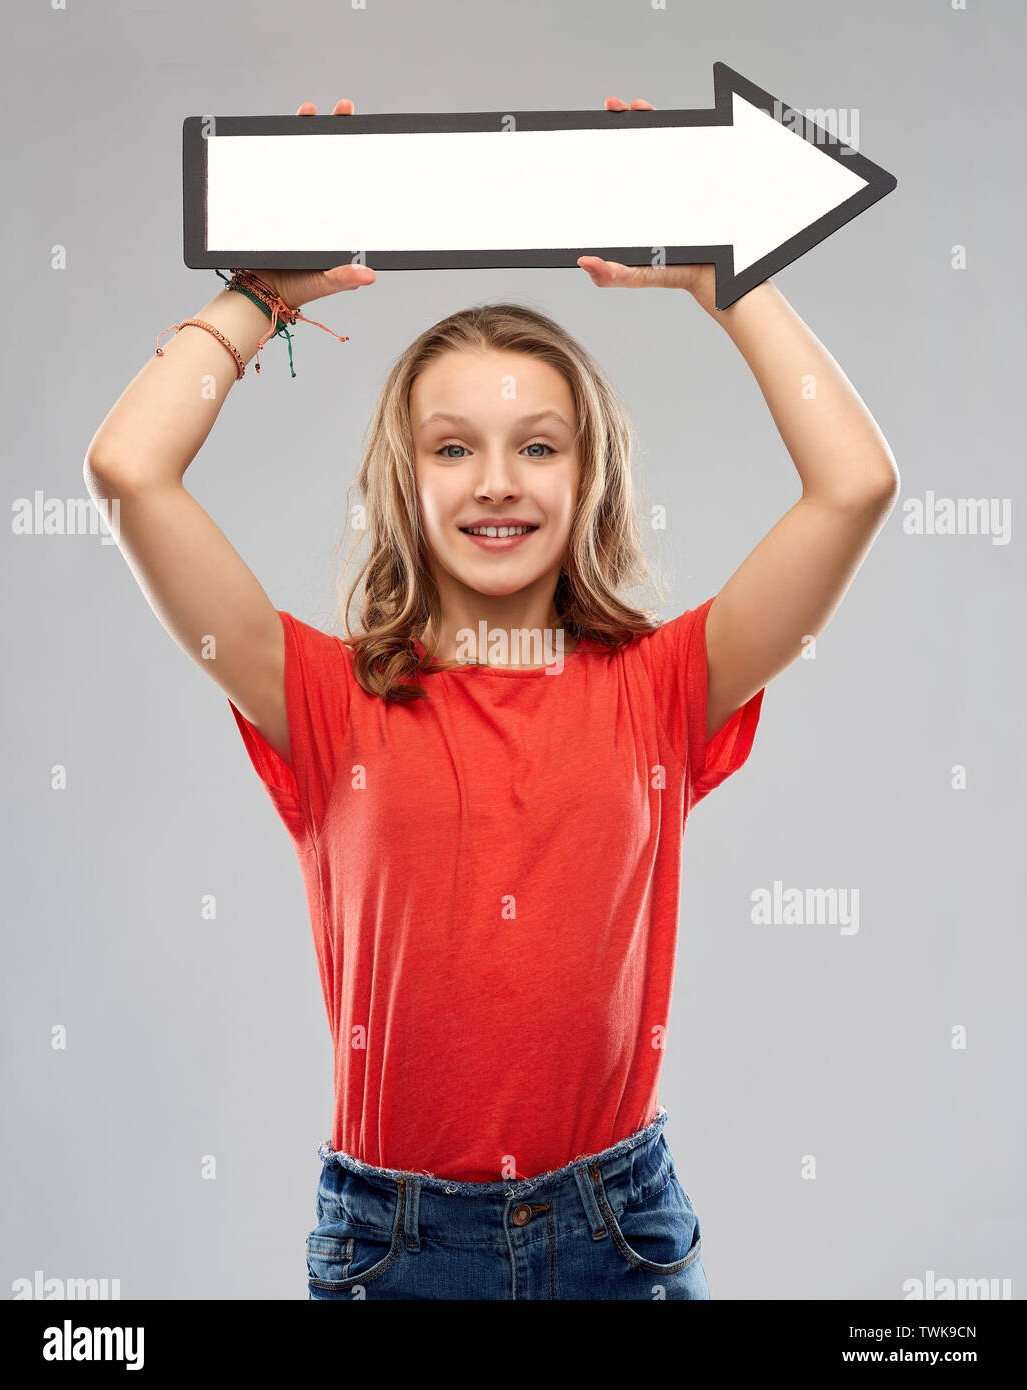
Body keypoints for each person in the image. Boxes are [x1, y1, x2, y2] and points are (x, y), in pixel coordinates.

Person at [83, 94, 899, 1300]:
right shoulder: (319, 697)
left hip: (617, 1232)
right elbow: (127, 466)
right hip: (387, 1245)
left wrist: (722, 274)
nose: (495, 482)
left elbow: (854, 484)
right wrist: (258, 299)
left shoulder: (663, 687)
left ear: (589, 475)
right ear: (402, 482)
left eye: (539, 444)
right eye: (451, 446)